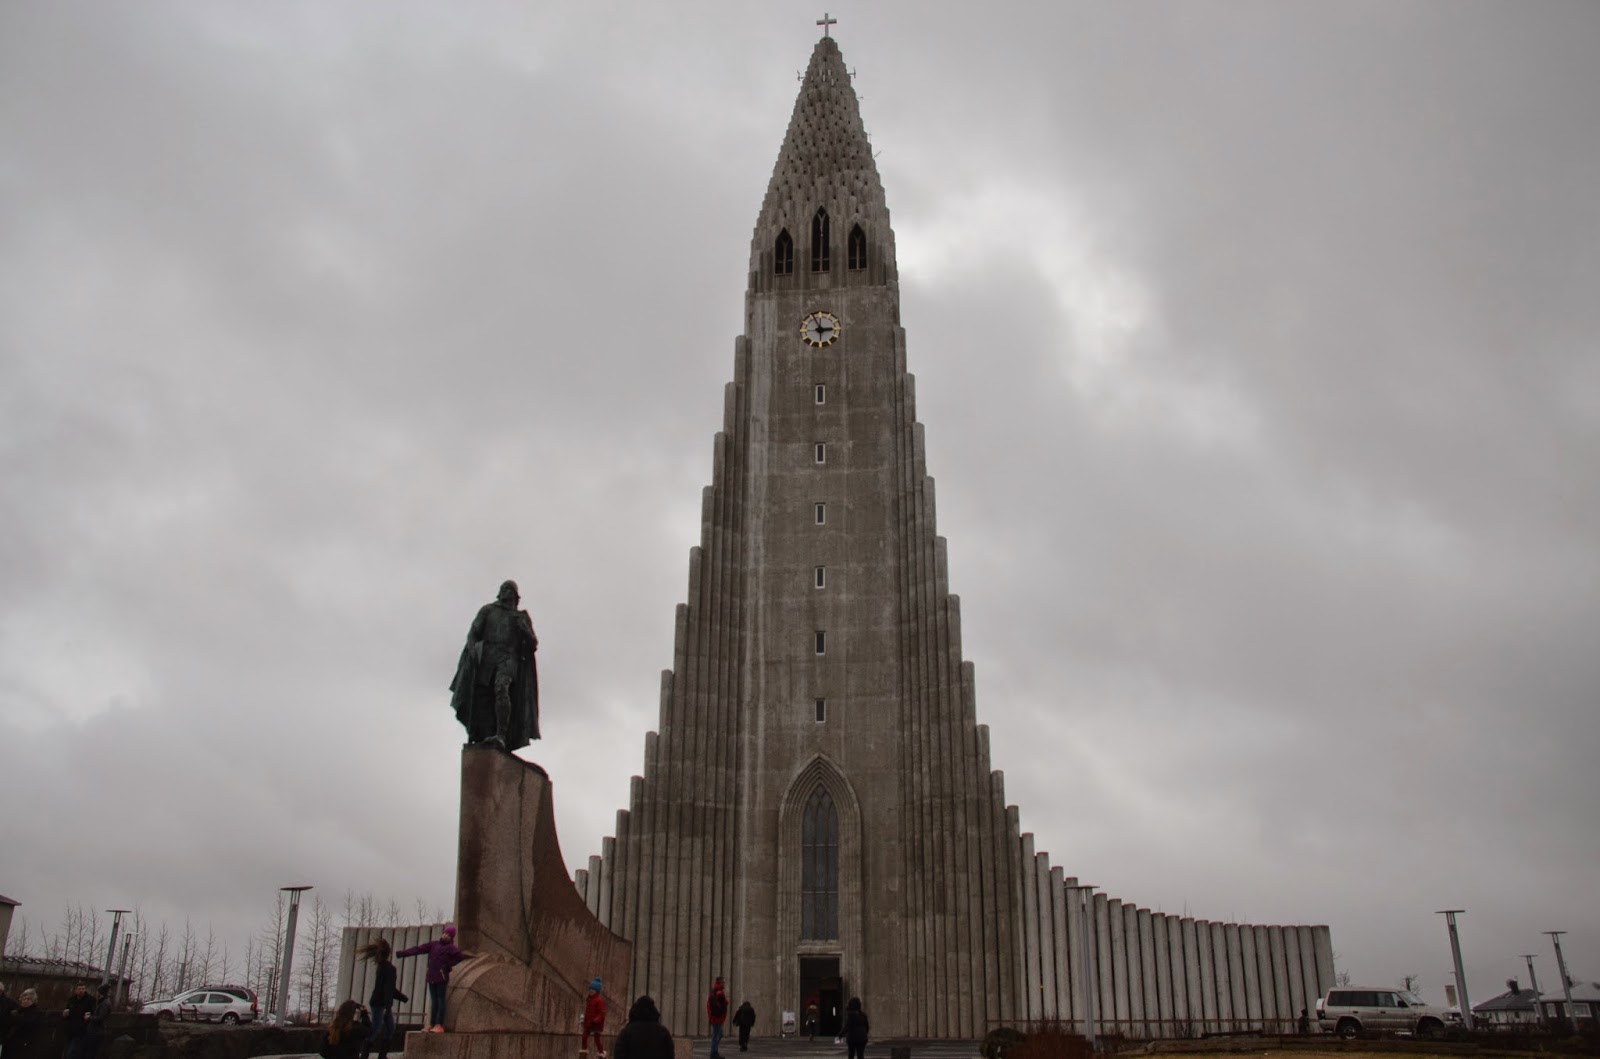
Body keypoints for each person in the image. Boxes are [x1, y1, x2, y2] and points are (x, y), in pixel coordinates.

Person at [449, 580, 540, 749]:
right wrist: (473, 650)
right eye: (504, 589)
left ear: (515, 596)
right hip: (488, 658)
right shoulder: (488, 610)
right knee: (483, 696)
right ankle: (481, 732)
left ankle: (501, 734)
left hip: (508, 659)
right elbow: (473, 633)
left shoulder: (521, 617)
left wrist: (524, 630)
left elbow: (533, 643)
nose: (506, 592)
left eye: (510, 590)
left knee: (501, 688)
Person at [397, 924, 468, 1032]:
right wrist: (403, 953)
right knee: (434, 1001)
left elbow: (460, 957)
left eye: (449, 935)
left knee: (440, 1001)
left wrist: (447, 966)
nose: (445, 936)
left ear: (451, 937)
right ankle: (432, 1023)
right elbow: (418, 949)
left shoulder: (451, 948)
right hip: (432, 976)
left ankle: (439, 1025)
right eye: (445, 933)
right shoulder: (434, 945)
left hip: (441, 977)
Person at [357, 938, 408, 1059]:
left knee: (389, 1028)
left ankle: (382, 1055)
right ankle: (365, 1055)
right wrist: (388, 1006)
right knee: (376, 1029)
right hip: (381, 1004)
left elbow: (388, 988)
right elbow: (388, 989)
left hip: (379, 1002)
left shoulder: (381, 966)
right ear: (389, 953)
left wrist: (402, 998)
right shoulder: (390, 969)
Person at [5, 988, 43, 1059]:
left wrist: (15, 1017)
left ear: (33, 1001)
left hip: (26, 1044)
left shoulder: (35, 1012)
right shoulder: (17, 1011)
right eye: (24, 999)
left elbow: (27, 1022)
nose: (25, 1001)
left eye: (29, 999)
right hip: (12, 1043)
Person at [61, 984, 93, 1059]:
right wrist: (64, 1015)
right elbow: (66, 1014)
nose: (81, 991)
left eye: (83, 989)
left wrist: (87, 1020)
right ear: (75, 990)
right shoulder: (71, 1000)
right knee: (67, 1051)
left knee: (72, 1052)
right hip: (70, 1030)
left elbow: (91, 1013)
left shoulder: (89, 1000)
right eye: (79, 989)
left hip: (81, 1030)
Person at [581, 978, 607, 1059]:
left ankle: (601, 1053)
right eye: (590, 989)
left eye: (593, 989)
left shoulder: (599, 1000)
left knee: (597, 1040)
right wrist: (584, 1019)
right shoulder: (589, 999)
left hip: (596, 1024)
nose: (591, 991)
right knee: (584, 1037)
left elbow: (602, 1013)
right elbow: (587, 1011)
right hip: (589, 1023)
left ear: (597, 991)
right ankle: (584, 1052)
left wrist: (596, 1020)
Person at [705, 978, 729, 1059]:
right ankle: (713, 1054)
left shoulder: (716, 991)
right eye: (723, 982)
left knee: (720, 1034)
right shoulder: (717, 992)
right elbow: (716, 1006)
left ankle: (714, 1052)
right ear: (720, 982)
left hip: (718, 1018)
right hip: (717, 1018)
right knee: (716, 1036)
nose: (724, 983)